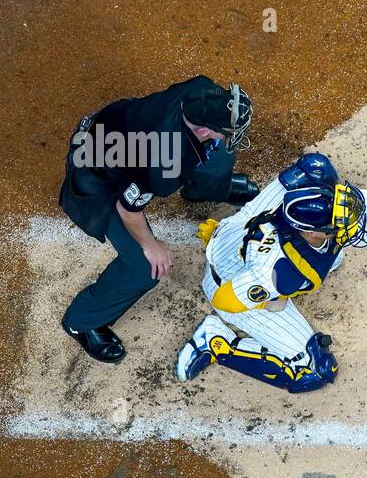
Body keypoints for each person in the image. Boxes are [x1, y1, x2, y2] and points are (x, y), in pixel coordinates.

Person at [174, 153, 367, 392]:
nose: (352, 224)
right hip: (229, 282)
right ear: (310, 234)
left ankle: (223, 239)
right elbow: (230, 299)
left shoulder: (325, 195)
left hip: (236, 231)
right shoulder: (282, 272)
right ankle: (215, 341)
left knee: (316, 169)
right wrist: (274, 300)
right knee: (316, 371)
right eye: (338, 227)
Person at [59, 76, 261, 363]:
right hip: (97, 176)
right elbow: (128, 208)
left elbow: (204, 137)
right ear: (203, 128)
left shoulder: (201, 90)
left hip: (119, 127)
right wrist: (150, 244)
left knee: (219, 155)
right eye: (229, 128)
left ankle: (211, 187)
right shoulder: (165, 164)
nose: (238, 130)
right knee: (144, 268)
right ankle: (82, 321)